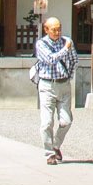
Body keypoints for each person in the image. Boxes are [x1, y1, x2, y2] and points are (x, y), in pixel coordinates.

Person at [29, 17, 77, 163]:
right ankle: (49, 153)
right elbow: (51, 59)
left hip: (64, 84)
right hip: (47, 85)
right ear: (46, 29)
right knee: (46, 122)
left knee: (66, 120)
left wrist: (70, 74)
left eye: (59, 29)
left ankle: (56, 144)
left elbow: (74, 59)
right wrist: (65, 49)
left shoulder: (67, 41)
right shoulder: (41, 44)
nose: (57, 32)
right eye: (53, 29)